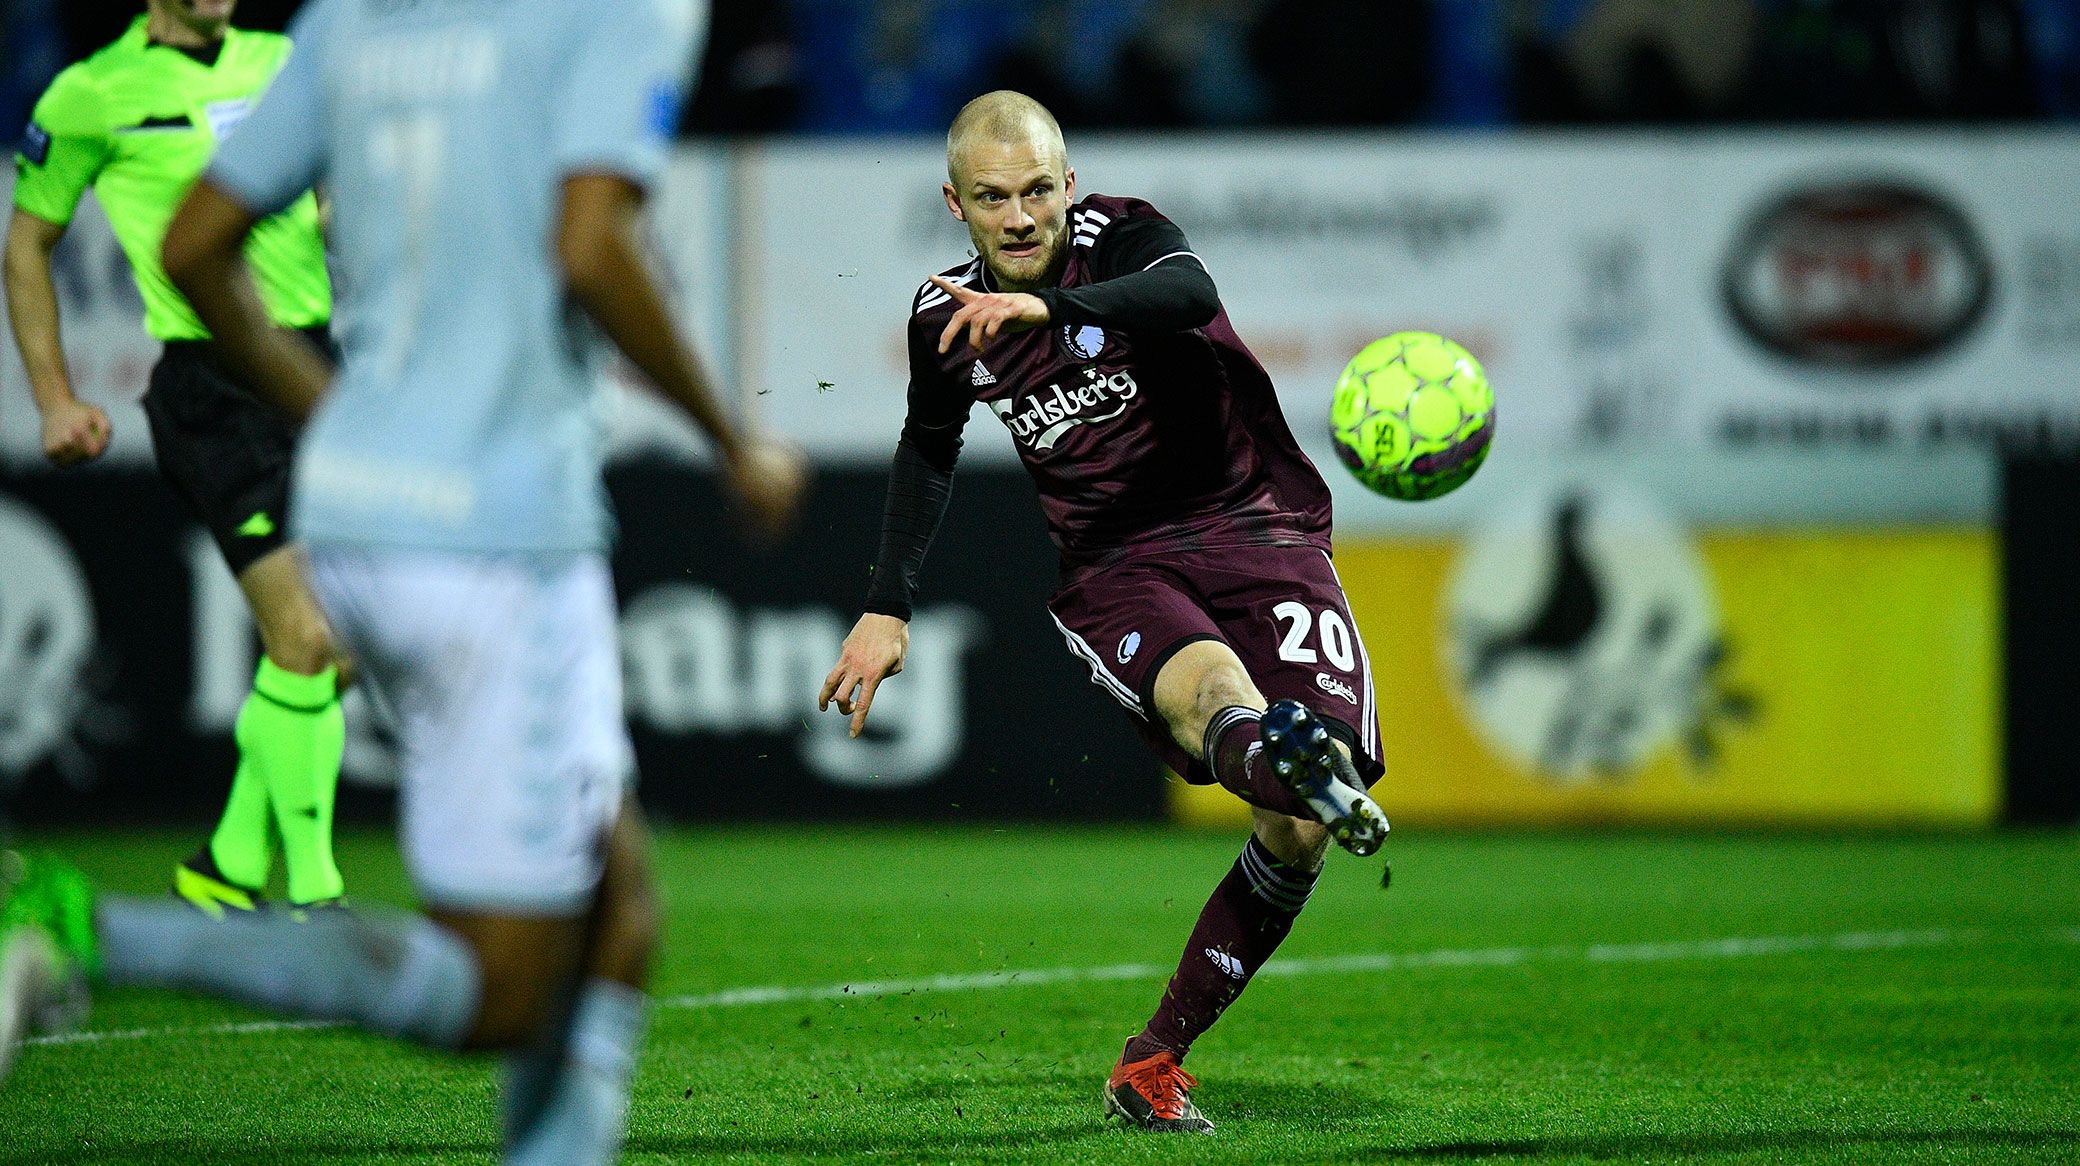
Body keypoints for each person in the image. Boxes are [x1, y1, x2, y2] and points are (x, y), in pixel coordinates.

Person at [0, 0, 806, 1162]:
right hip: (497, 540)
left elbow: (188, 249)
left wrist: (341, 423)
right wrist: (730, 436)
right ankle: (90, 932)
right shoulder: (633, 13)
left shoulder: (353, 19)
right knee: (504, 992)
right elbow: (589, 247)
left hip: (366, 514)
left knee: (618, 912)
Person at [819, 90, 1389, 1135]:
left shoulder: (1123, 235)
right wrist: (884, 604)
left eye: (1038, 188)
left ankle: (1150, 1053)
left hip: (1259, 529)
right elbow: (928, 447)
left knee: (1297, 829)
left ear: (1068, 184)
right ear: (956, 202)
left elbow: (1185, 291)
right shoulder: (942, 315)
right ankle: (1284, 753)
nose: (1022, 214)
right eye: (994, 198)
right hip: (1118, 564)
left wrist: (1051, 310)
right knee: (1212, 697)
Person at [4, 0, 349, 916]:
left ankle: (231, 858)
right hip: (213, 390)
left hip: (317, 374)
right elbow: (27, 245)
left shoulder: (284, 59)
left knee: (345, 644)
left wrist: (333, 199)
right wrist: (55, 401)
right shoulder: (91, 94)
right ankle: (318, 892)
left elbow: (334, 178)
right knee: (308, 639)